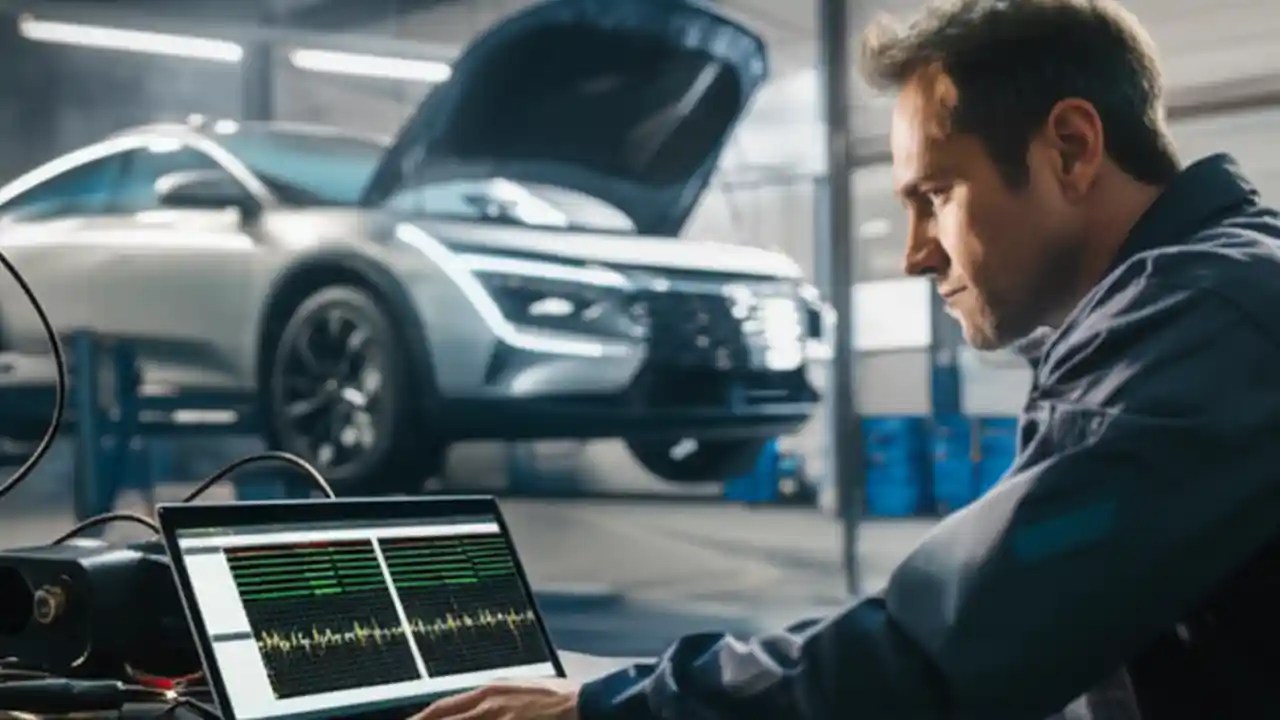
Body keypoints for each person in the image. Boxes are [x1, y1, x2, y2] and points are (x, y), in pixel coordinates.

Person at [411, 0, 1280, 717]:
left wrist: (612, 710)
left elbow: (947, 651)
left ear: (1071, 148)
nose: (915, 253)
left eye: (935, 196)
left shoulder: (1204, 321)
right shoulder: (1221, 290)